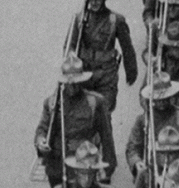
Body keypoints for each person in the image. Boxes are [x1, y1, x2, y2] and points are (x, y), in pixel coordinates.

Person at [34, 55, 117, 187]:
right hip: (58, 165)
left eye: (76, 82)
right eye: (68, 83)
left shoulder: (95, 102)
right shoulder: (52, 103)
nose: (72, 86)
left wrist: (108, 169)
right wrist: (41, 141)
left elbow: (106, 136)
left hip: (85, 162)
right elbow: (42, 129)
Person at [70, 0, 138, 118]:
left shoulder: (116, 20)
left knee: (103, 115)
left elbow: (127, 48)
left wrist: (131, 71)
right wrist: (71, 67)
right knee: (84, 115)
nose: (95, 2)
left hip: (106, 75)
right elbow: (70, 46)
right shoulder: (79, 19)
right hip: (85, 74)